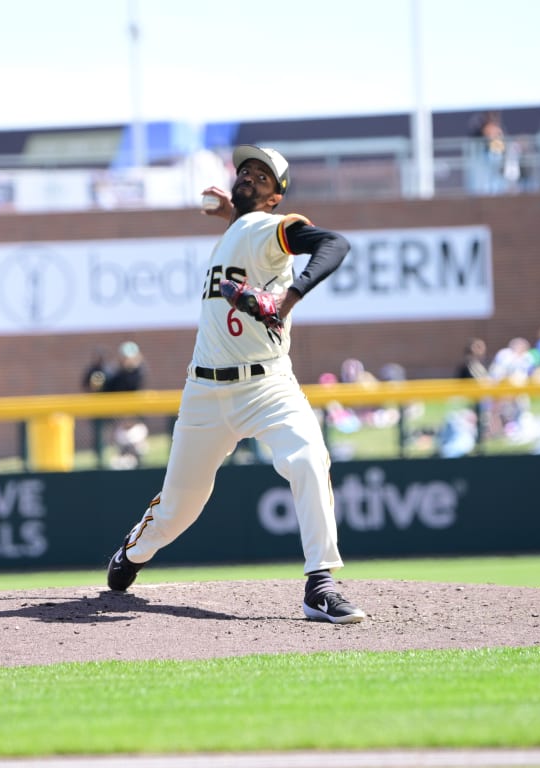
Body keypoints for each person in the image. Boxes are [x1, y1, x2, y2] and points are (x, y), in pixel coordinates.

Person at [104, 145, 366, 624]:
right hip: (205, 392)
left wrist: (286, 299)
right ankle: (132, 553)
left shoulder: (273, 226)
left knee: (309, 458)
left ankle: (320, 583)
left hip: (268, 386)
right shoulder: (242, 230)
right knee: (181, 508)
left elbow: (334, 245)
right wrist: (232, 215)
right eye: (244, 169)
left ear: (276, 196)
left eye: (262, 175)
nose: (249, 175)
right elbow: (247, 241)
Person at [102, 341, 149, 469]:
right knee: (119, 456)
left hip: (135, 419)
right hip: (119, 419)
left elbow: (135, 387)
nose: (127, 360)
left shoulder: (138, 372)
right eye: (124, 357)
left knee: (138, 450)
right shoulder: (114, 373)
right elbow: (107, 391)